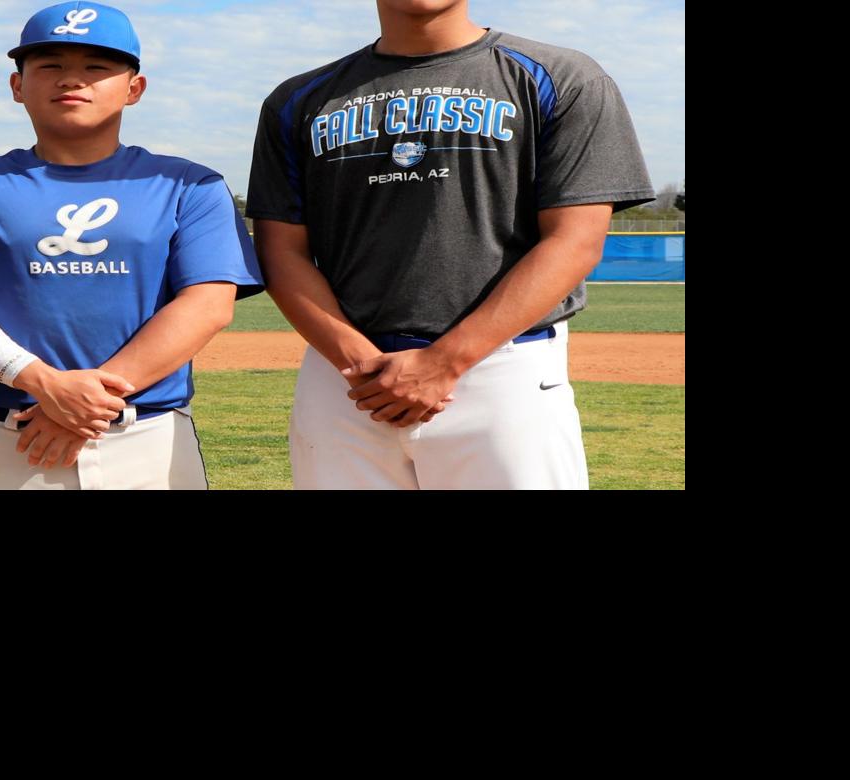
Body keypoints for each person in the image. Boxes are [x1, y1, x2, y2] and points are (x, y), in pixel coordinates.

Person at [247, 0, 653, 489]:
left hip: (502, 368)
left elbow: (575, 240)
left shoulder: (562, 76)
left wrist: (445, 362)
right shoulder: (298, 99)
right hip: (347, 377)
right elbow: (281, 250)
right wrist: (358, 363)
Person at [0, 1, 263, 490]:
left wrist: (85, 405)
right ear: (17, 86)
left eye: (97, 67)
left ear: (134, 88)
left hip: (150, 438)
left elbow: (208, 305)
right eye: (50, 65)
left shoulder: (189, 184)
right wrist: (45, 385)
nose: (72, 80)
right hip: (13, 436)